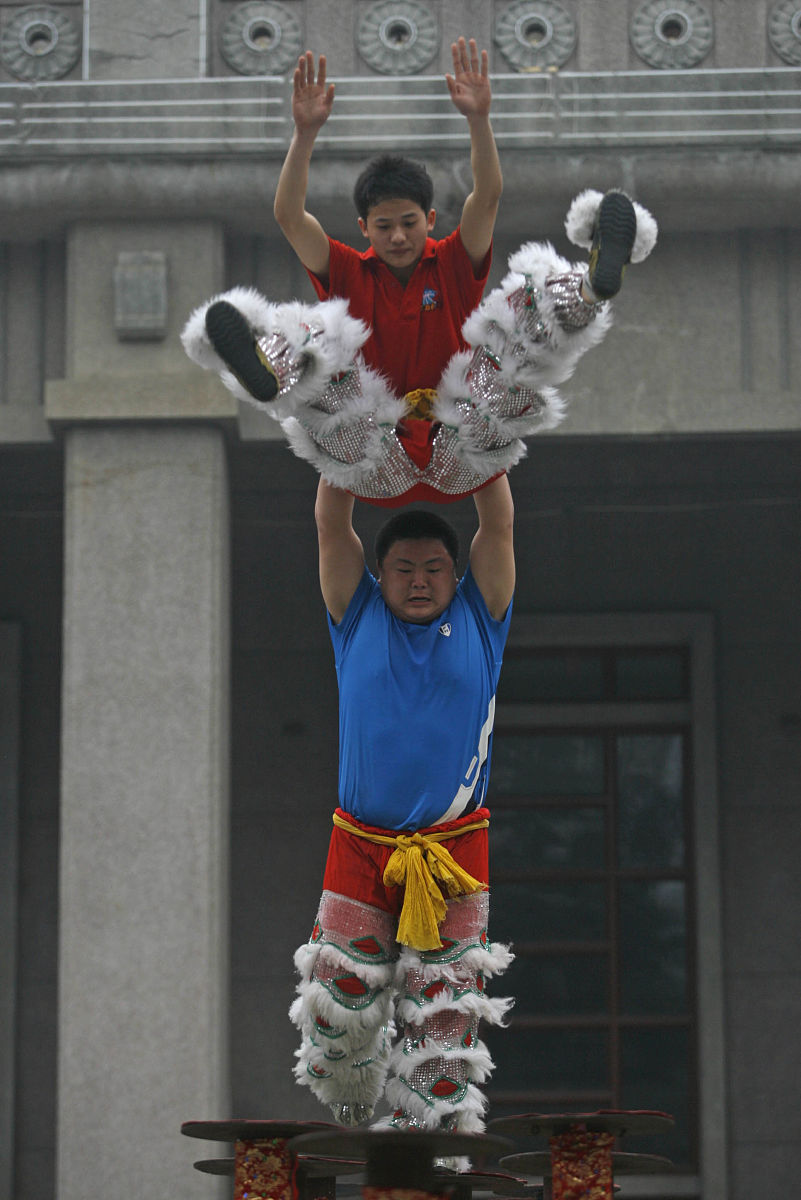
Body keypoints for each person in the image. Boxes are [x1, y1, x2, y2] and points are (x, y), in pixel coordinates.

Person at [181, 41, 658, 506]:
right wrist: (304, 133)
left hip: (464, 441)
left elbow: (487, 196)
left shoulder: (451, 261)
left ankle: (589, 288)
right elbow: (289, 216)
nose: (398, 237)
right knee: (317, 332)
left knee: (519, 308)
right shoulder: (348, 270)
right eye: (384, 227)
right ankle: (267, 369)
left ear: (430, 221)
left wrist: (479, 119)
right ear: (364, 228)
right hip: (373, 455)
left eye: (409, 223)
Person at [289, 472, 516, 1137]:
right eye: (403, 569)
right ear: (378, 577)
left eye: (435, 568)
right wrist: (344, 451)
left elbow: (496, 524)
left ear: (457, 575)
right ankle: (351, 1102)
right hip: (360, 842)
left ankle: (429, 1144)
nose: (419, 580)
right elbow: (332, 523)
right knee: (336, 1009)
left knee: (444, 1026)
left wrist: (484, 458)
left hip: (454, 850)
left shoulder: (482, 617)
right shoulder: (353, 617)